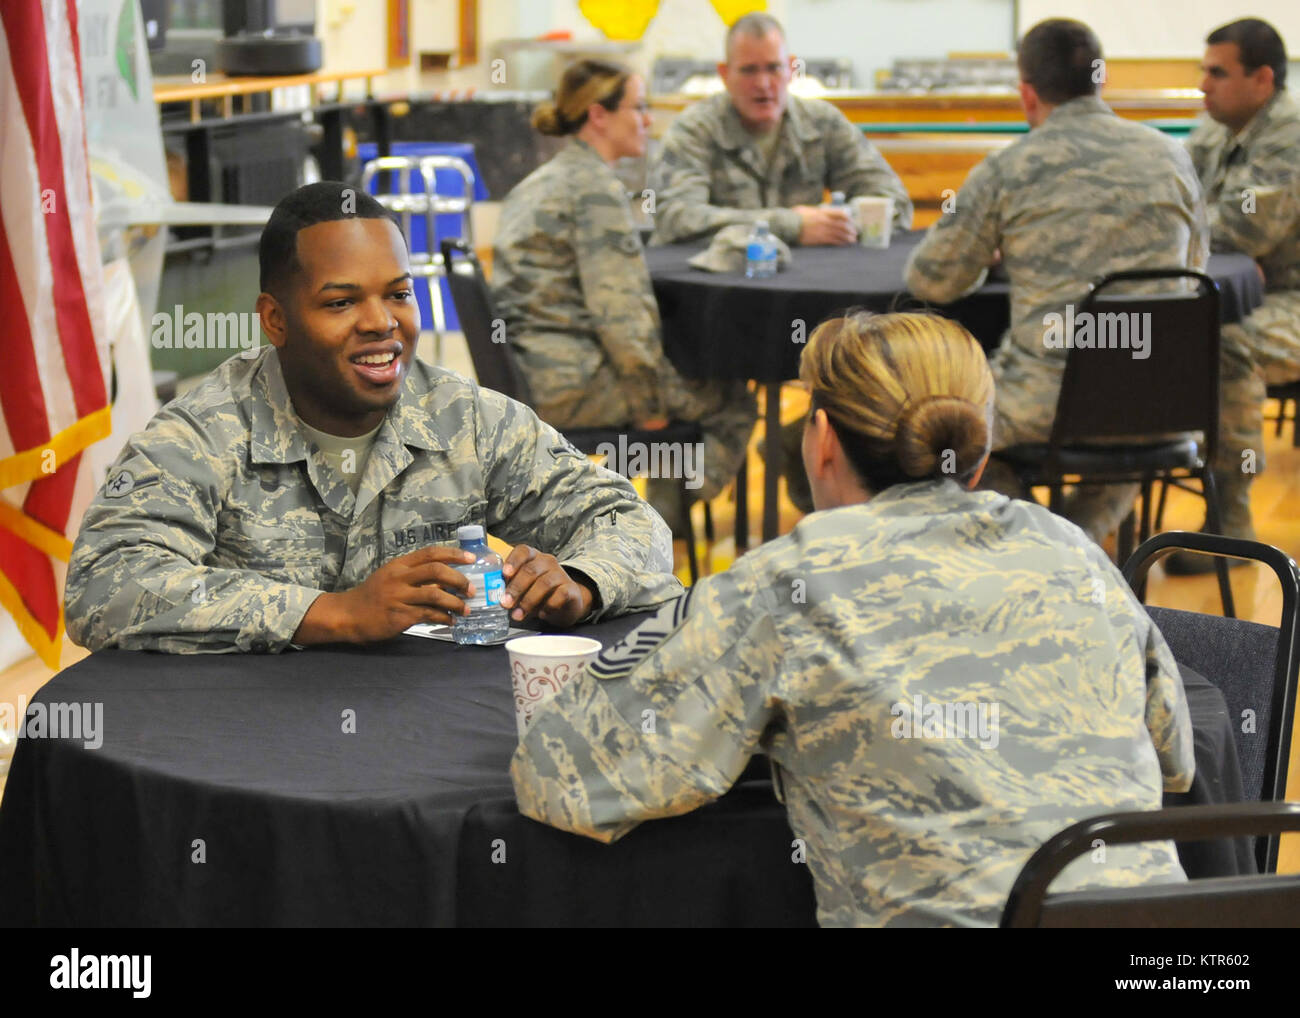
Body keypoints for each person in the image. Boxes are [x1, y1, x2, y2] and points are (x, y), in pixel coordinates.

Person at [511, 311, 1194, 928]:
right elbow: (1177, 762)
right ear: (979, 455)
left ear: (822, 441)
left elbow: (563, 780)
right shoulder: (1072, 549)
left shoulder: (786, 583)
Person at [64, 182, 684, 654]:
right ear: (275, 319)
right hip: (254, 753)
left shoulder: (465, 418)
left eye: (398, 293)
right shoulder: (203, 433)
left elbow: (629, 521)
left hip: (424, 740)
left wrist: (580, 581)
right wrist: (332, 613)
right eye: (341, 302)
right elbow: (104, 584)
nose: (382, 323)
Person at [905, 18, 1208, 545]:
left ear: (1027, 93)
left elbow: (932, 281)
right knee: (1120, 410)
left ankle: (1040, 551)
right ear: (1101, 79)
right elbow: (1194, 273)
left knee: (952, 428)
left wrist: (995, 254)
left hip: (1048, 397)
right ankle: (1079, 548)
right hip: (1163, 398)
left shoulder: (1010, 168)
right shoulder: (1172, 156)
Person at [492, 59, 756, 526]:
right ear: (599, 115)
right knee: (732, 397)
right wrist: (649, 405)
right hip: (574, 382)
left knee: (662, 397)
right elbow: (622, 318)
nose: (648, 120)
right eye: (639, 107)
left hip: (531, 374)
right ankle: (649, 526)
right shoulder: (594, 191)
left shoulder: (543, 180)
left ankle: (627, 519)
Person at [1170, 18, 1300, 573]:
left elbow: (1248, 232)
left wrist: (1191, 222)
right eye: (1204, 71)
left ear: (1263, 79)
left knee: (1227, 344)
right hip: (1250, 287)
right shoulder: (1218, 126)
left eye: (1217, 73)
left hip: (1290, 298)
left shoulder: (1290, 133)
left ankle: (1233, 526)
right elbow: (1173, 198)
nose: (1204, 85)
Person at [646, 11, 912, 248]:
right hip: (714, 286)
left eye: (773, 68)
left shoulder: (822, 122)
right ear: (725, 74)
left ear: (792, 69)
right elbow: (675, 219)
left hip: (805, 284)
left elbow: (893, 203)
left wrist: (835, 223)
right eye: (749, 71)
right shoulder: (694, 131)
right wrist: (792, 225)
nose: (763, 84)